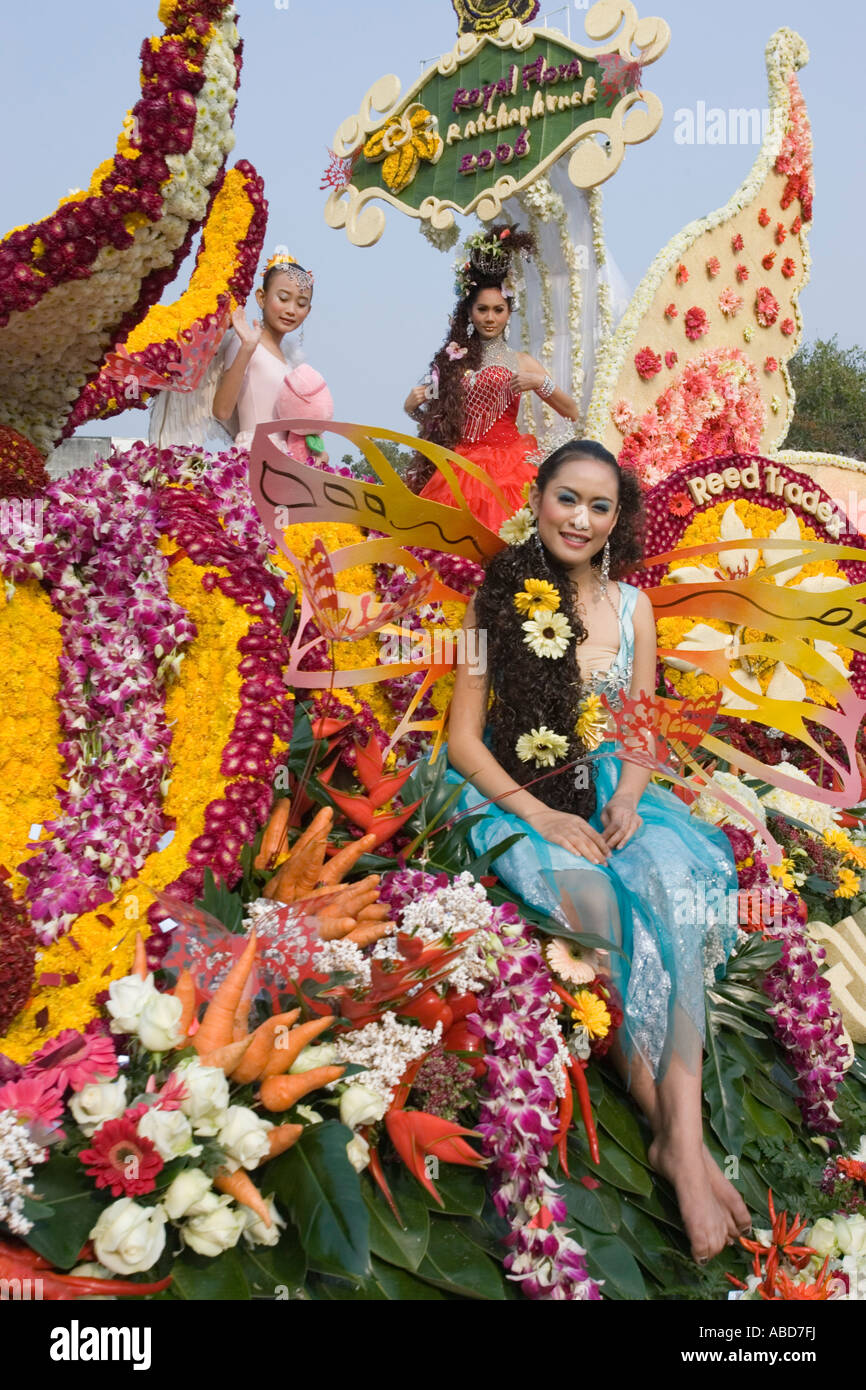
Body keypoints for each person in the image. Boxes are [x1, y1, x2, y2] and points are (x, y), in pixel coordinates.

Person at [445, 438, 752, 1264]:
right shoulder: (492, 600)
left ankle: (675, 1140)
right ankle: (682, 1146)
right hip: (516, 789)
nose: (581, 518)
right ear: (538, 499)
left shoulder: (636, 607)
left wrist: (625, 795)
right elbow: (462, 744)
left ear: (619, 518)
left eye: (600, 505)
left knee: (667, 881)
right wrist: (539, 821)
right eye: (567, 499)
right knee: (595, 905)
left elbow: (643, 732)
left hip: (615, 792)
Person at [404, 225, 580, 534]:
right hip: (460, 465)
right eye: (482, 309)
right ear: (469, 312)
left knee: (510, 536)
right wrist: (410, 407)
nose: (490, 317)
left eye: (498, 310)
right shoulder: (452, 358)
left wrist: (540, 381)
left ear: (509, 313)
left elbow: (571, 411)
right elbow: (432, 418)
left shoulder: (522, 361)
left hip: (511, 464)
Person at [212, 252, 329, 463]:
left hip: (289, 463)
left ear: (308, 311)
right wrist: (247, 347)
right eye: (283, 298)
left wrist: (316, 450)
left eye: (301, 304)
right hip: (256, 458)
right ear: (262, 297)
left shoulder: (291, 361)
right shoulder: (244, 342)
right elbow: (222, 410)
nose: (291, 310)